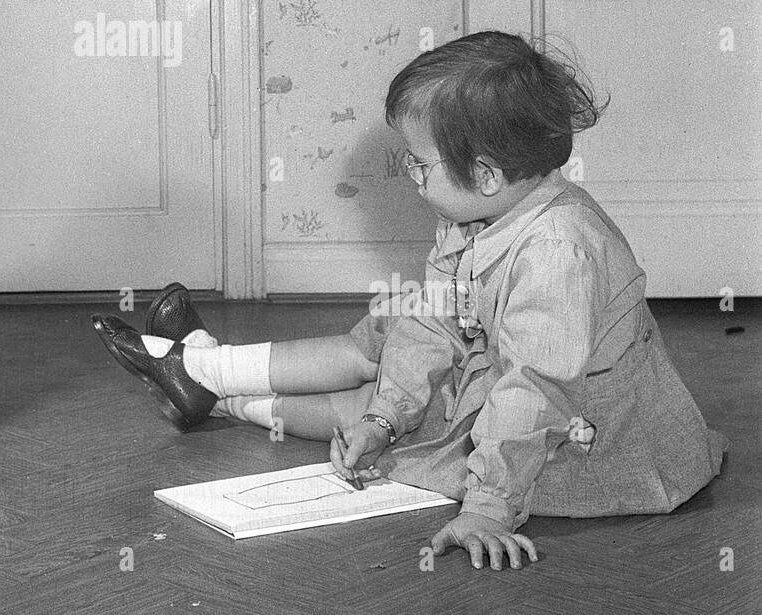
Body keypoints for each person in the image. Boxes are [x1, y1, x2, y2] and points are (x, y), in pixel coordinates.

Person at [94, 32, 725, 569]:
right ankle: (207, 371)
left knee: (395, 401)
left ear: (483, 174)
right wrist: (383, 419)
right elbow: (428, 326)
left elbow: (536, 388)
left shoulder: (559, 251)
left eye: (419, 165)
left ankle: (218, 389)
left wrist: (486, 506)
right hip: (487, 363)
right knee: (382, 349)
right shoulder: (478, 215)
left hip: (560, 425)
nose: (413, 178)